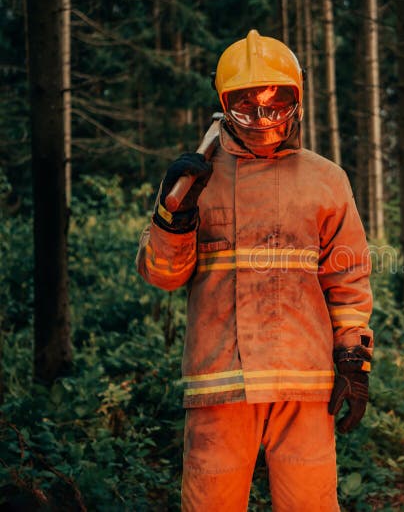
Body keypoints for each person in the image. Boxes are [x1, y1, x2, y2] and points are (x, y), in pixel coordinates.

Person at [135, 29, 373, 511]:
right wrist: (173, 214)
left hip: (303, 390)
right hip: (220, 387)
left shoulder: (327, 180)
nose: (263, 119)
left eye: (276, 104)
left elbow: (347, 281)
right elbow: (162, 274)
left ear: (296, 101)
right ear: (225, 106)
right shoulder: (195, 178)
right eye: (247, 107)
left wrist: (354, 359)